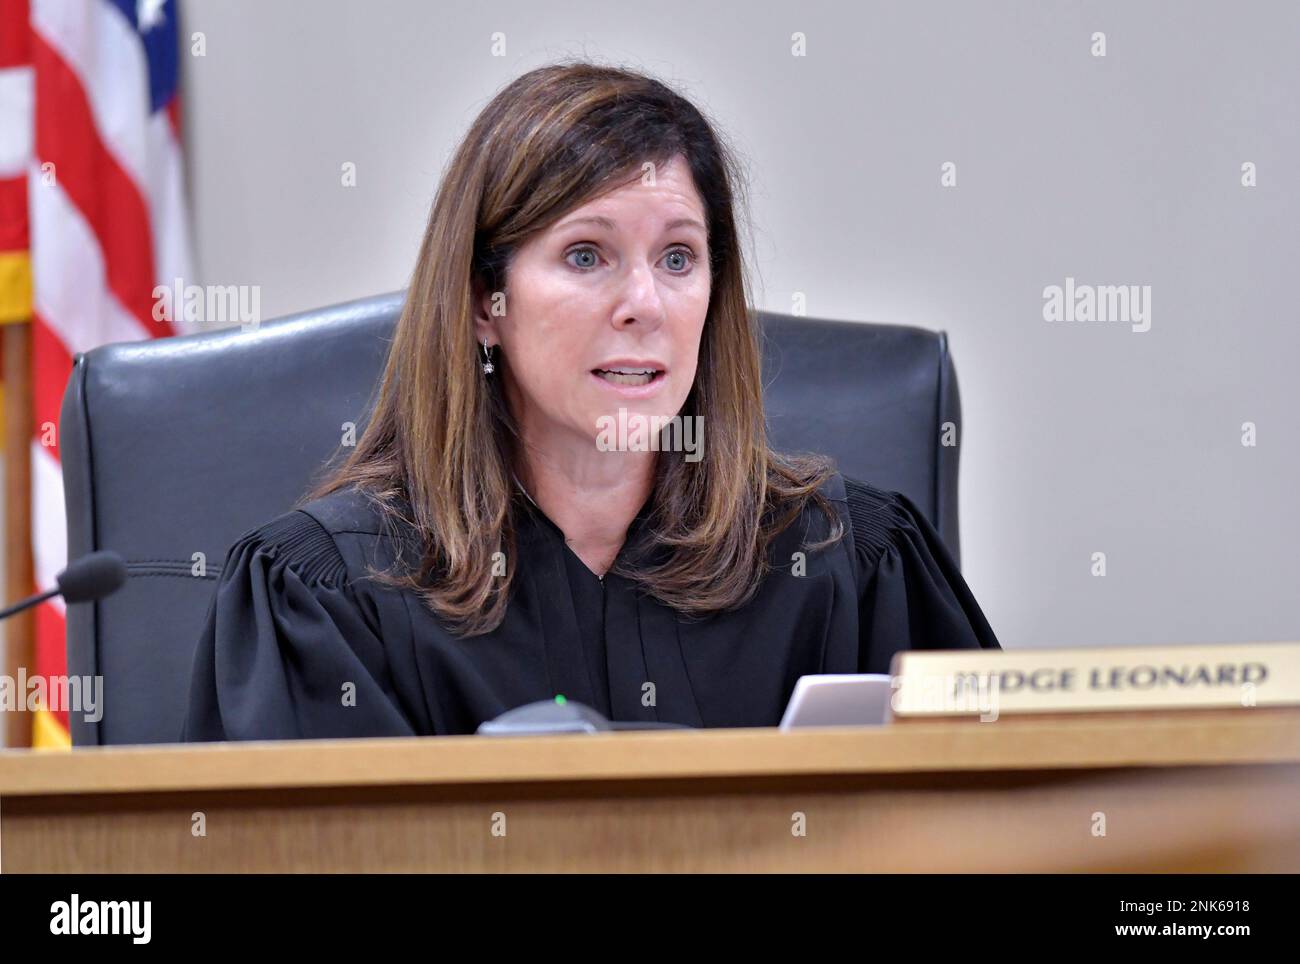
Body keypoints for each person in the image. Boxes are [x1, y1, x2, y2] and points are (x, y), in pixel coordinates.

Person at [181, 61, 1000, 742]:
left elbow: (1007, 833)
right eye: (586, 254)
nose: (644, 302)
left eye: (679, 257)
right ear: (481, 303)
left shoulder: (847, 564)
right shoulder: (328, 597)